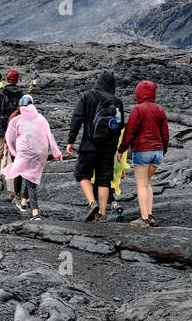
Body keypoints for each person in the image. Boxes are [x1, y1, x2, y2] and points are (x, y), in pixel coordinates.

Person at [65, 72, 124, 222]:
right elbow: (120, 126)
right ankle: (102, 214)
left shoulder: (87, 96)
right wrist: (117, 148)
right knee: (104, 179)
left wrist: (71, 140)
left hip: (89, 145)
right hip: (108, 148)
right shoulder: (117, 102)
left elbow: (77, 117)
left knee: (82, 174)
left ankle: (92, 203)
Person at [118, 80, 170, 227]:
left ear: (138, 93)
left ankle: (144, 218)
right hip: (157, 151)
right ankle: (150, 215)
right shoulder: (160, 110)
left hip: (142, 150)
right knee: (147, 183)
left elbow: (130, 132)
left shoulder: (138, 110)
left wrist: (122, 149)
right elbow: (165, 133)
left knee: (141, 184)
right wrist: (163, 149)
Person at [3, 95, 63, 219]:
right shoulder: (41, 118)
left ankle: (35, 213)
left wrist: (14, 151)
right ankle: (24, 204)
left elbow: (10, 138)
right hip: (40, 153)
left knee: (30, 182)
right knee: (29, 177)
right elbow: (49, 135)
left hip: (25, 152)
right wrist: (57, 152)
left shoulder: (17, 120)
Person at [0, 70, 26, 200]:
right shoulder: (22, 96)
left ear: (6, 80)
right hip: (16, 131)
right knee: (12, 160)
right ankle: (12, 191)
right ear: (18, 81)